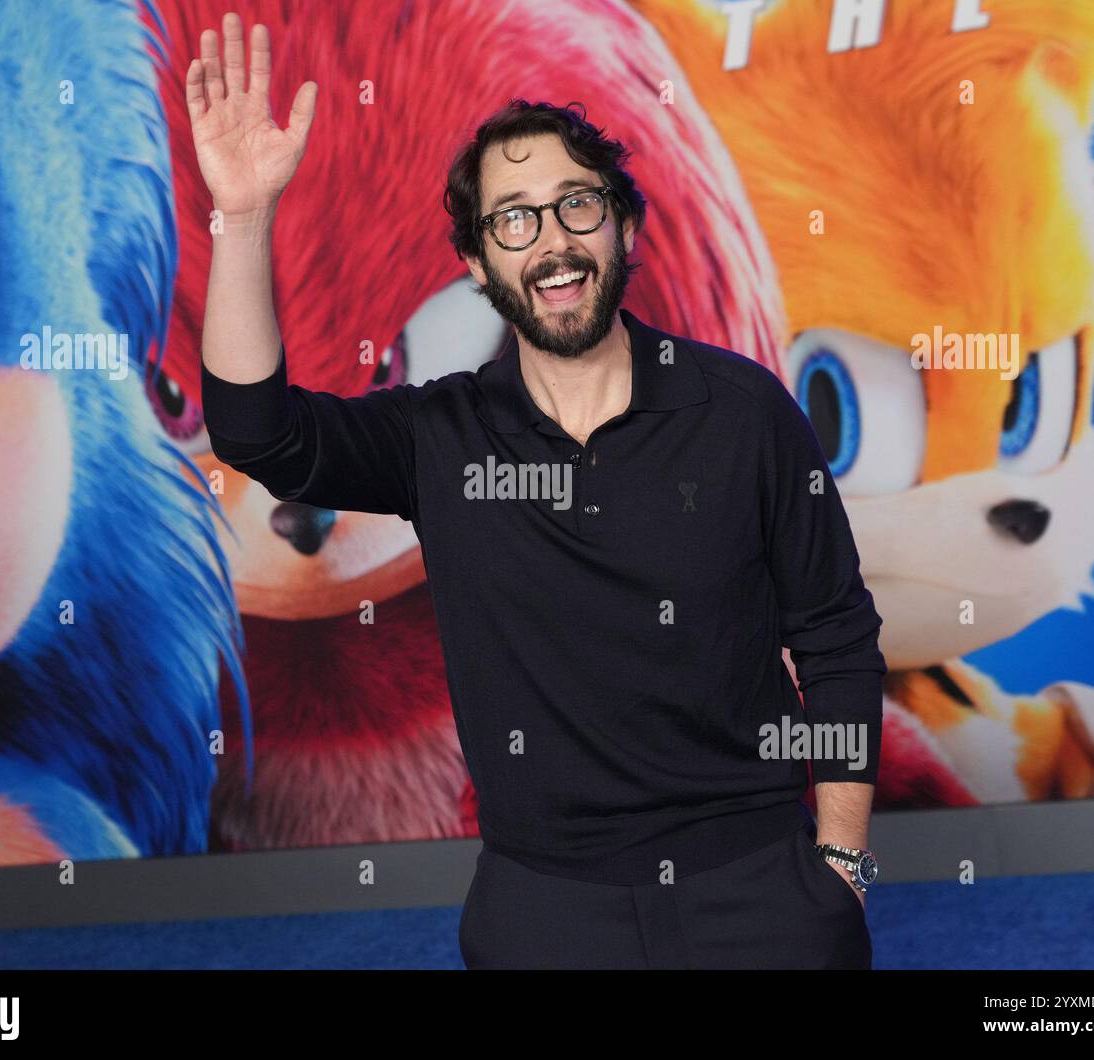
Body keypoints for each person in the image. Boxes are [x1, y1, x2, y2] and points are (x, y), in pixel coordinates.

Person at [187, 11, 885, 969]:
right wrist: (245, 215)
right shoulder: (439, 434)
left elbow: (838, 638)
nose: (551, 242)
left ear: (624, 225)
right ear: (477, 264)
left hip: (759, 894)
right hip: (545, 912)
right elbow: (258, 430)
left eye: (577, 206)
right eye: (513, 219)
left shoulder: (745, 411)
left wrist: (840, 863)